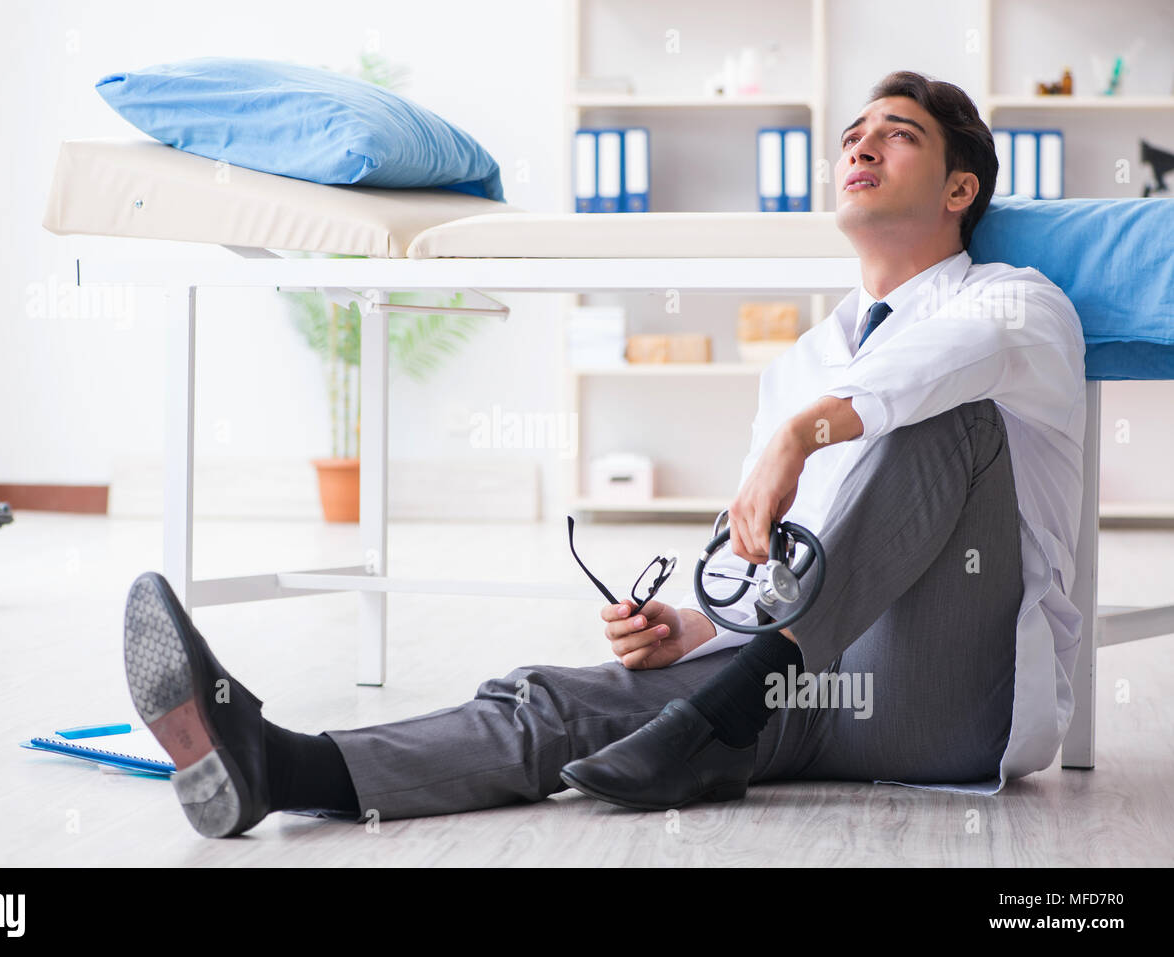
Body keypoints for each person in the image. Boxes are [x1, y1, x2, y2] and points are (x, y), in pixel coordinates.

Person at [123, 70, 1087, 838]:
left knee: (939, 417)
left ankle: (722, 711)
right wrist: (690, 628)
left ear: (961, 187)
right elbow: (768, 569)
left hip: (958, 701)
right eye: (853, 135)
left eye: (897, 134)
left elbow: (936, 372)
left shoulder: (1016, 302)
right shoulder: (802, 360)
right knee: (559, 700)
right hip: (795, 687)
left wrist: (806, 432)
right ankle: (282, 765)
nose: (861, 145)